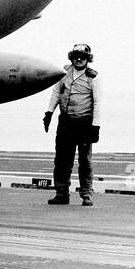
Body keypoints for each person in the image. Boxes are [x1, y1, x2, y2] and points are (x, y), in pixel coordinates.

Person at [42, 43, 102, 206]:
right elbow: (56, 92)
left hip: (84, 123)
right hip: (65, 123)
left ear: (88, 59)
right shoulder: (63, 73)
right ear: (72, 57)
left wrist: (95, 126)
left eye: (83, 56)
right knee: (62, 160)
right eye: (76, 55)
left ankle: (87, 195)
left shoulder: (93, 77)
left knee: (85, 161)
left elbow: (97, 103)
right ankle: (61, 194)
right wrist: (49, 112)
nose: (79, 59)